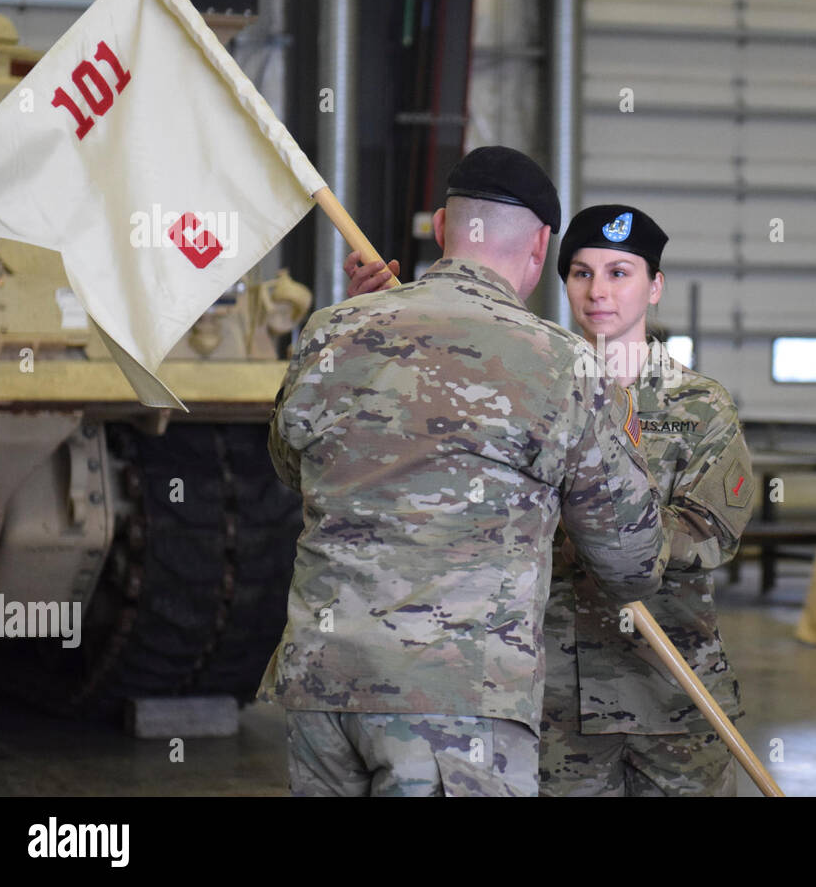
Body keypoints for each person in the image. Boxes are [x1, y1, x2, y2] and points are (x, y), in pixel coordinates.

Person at [260, 146, 665, 797]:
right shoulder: (561, 363)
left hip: (322, 686)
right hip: (454, 697)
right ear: (540, 247)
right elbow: (631, 560)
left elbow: (289, 463)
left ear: (443, 230)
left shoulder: (330, 331)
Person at [350, 204, 756, 797]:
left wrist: (594, 533)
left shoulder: (700, 406)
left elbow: (712, 532)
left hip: (669, 694)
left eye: (620, 273)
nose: (598, 292)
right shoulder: (527, 388)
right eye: (581, 273)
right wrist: (383, 319)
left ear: (656, 286)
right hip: (550, 698)